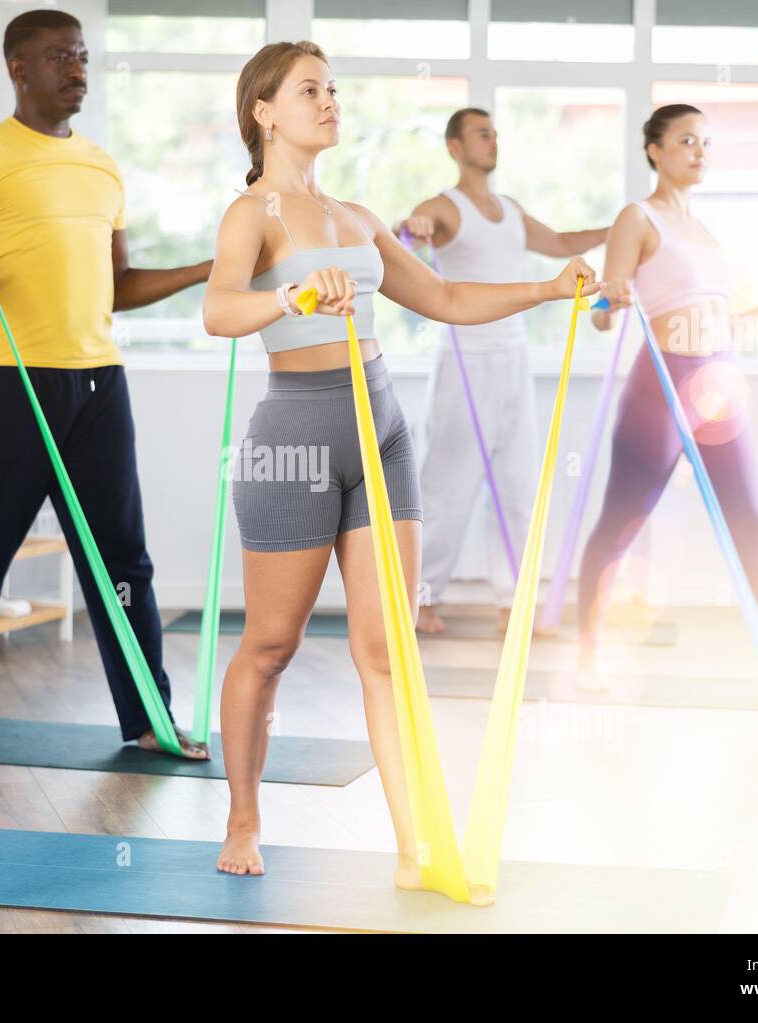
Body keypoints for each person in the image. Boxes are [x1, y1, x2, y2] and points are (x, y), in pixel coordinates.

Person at [202, 40, 599, 893]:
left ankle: (416, 842)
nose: (330, 101)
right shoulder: (254, 213)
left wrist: (548, 288)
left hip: (381, 431)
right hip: (294, 440)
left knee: (389, 652)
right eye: (310, 90)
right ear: (264, 111)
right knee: (271, 646)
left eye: (334, 89)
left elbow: (449, 300)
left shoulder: (357, 216)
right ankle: (243, 815)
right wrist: (292, 296)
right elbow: (217, 310)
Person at [0, 9, 212, 755]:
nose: (76, 68)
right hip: (6, 384)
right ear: (18, 68)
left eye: (81, 56)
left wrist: (210, 269)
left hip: (97, 383)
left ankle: (147, 717)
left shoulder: (104, 166)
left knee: (122, 562)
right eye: (59, 57)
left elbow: (118, 285)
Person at [577, 104, 758, 697]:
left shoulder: (705, 231)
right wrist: (611, 299)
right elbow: (602, 316)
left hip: (720, 386)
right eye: (686, 141)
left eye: (705, 142)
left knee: (752, 527)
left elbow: (717, 320)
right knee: (621, 523)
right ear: (654, 149)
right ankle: (588, 656)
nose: (700, 152)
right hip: (660, 386)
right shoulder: (638, 217)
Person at [395, 107, 608, 635]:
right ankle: (419, 600)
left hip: (513, 359)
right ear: (454, 146)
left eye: (495, 133)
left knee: (517, 483)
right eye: (481, 134)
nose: (492, 141)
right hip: (466, 358)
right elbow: (407, 234)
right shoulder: (444, 207)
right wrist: (412, 229)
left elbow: (559, 244)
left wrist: (621, 227)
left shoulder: (508, 209)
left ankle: (514, 600)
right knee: (448, 483)